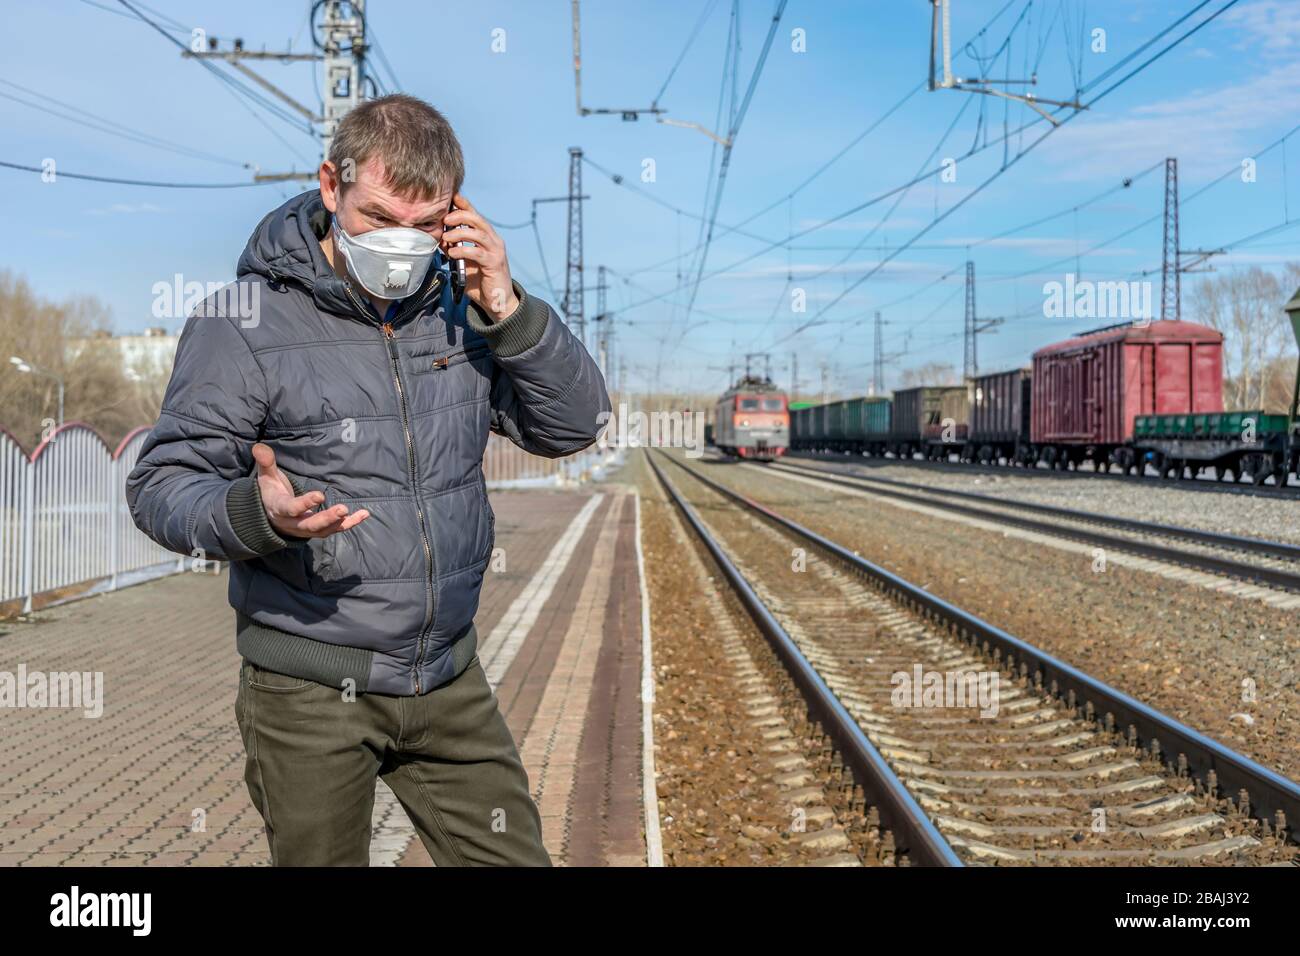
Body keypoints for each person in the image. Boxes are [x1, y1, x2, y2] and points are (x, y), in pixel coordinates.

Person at [126, 94, 610, 866]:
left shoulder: (462, 312)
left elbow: (573, 427)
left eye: (426, 227)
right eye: (380, 217)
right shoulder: (243, 323)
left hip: (448, 676)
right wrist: (257, 516)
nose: (401, 244)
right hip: (310, 687)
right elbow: (161, 485)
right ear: (330, 185)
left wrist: (506, 304)